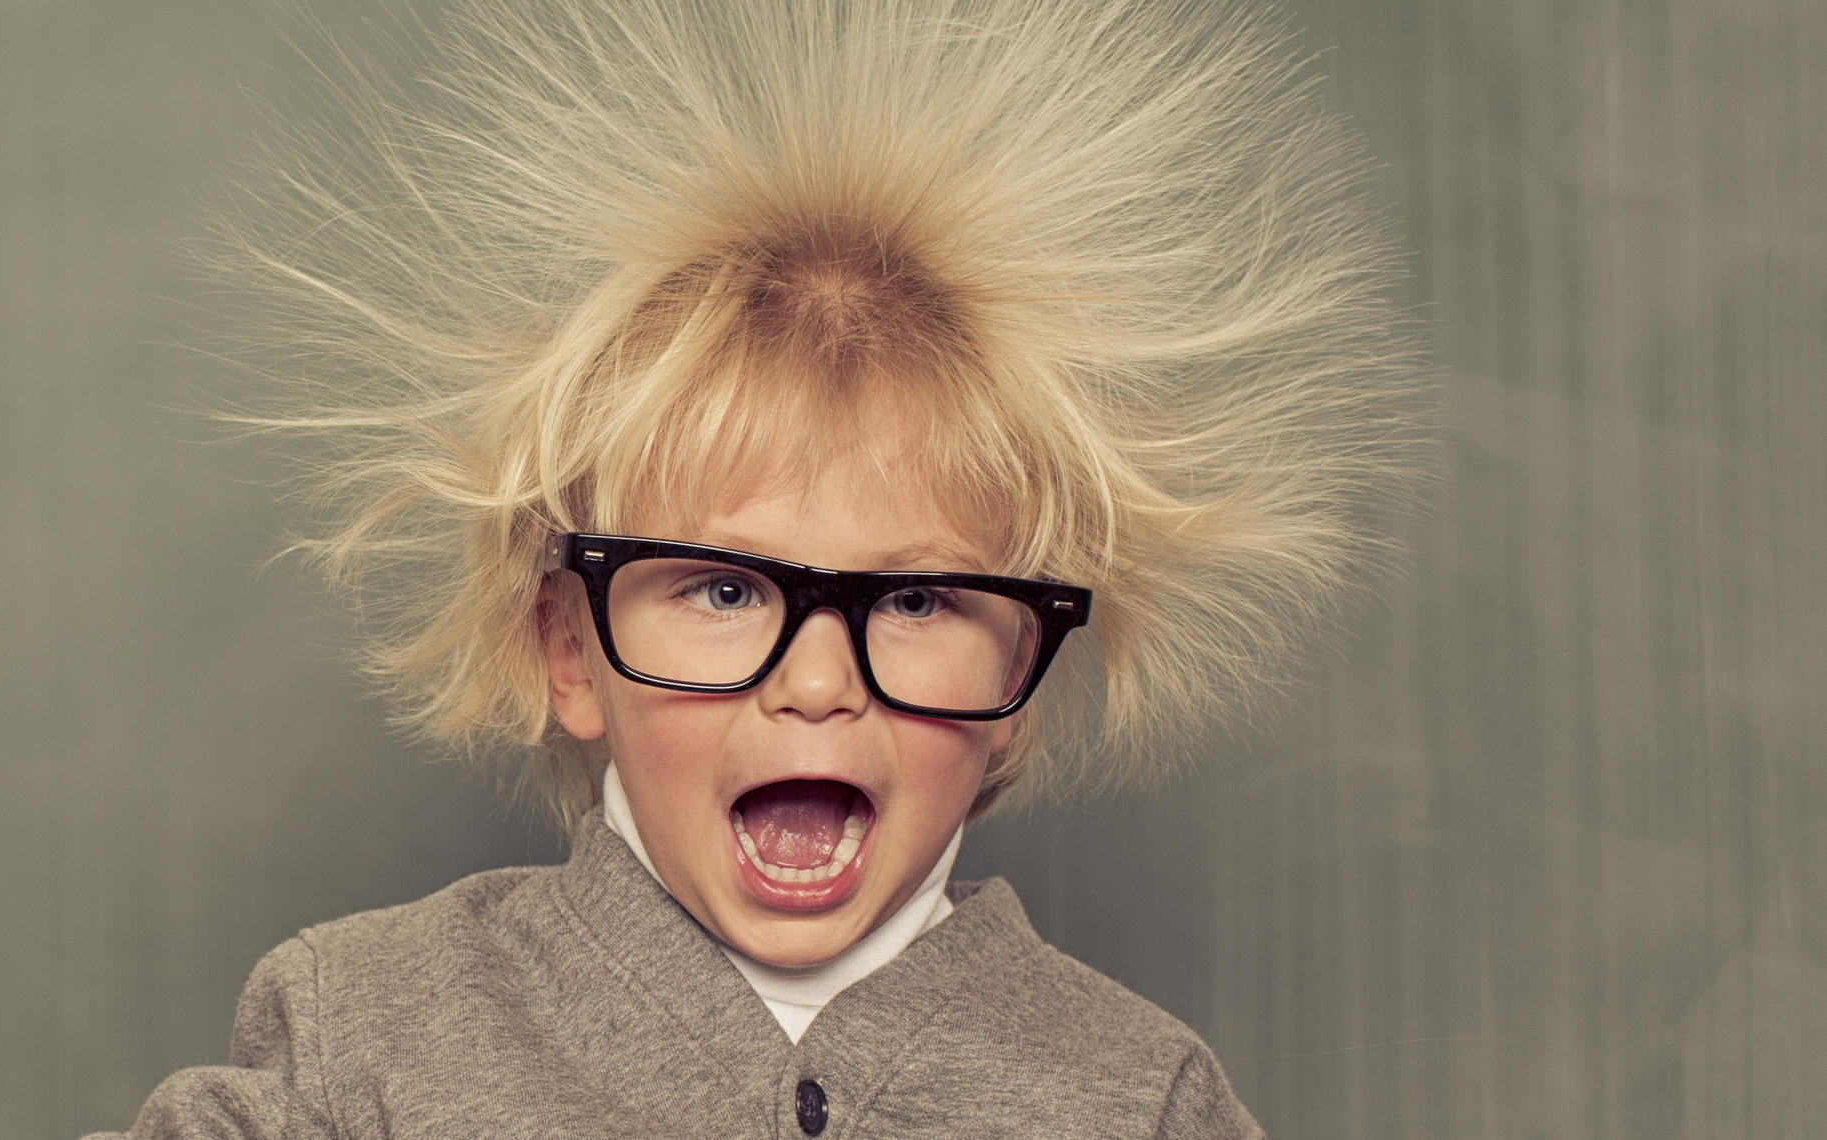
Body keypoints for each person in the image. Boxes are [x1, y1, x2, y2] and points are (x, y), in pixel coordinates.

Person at [93, 0, 1423, 1134]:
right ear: (569, 651)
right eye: (725, 591)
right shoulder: (356, 1043)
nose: (815, 684)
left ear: (1017, 670)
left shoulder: (1139, 1099)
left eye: (911, 600)